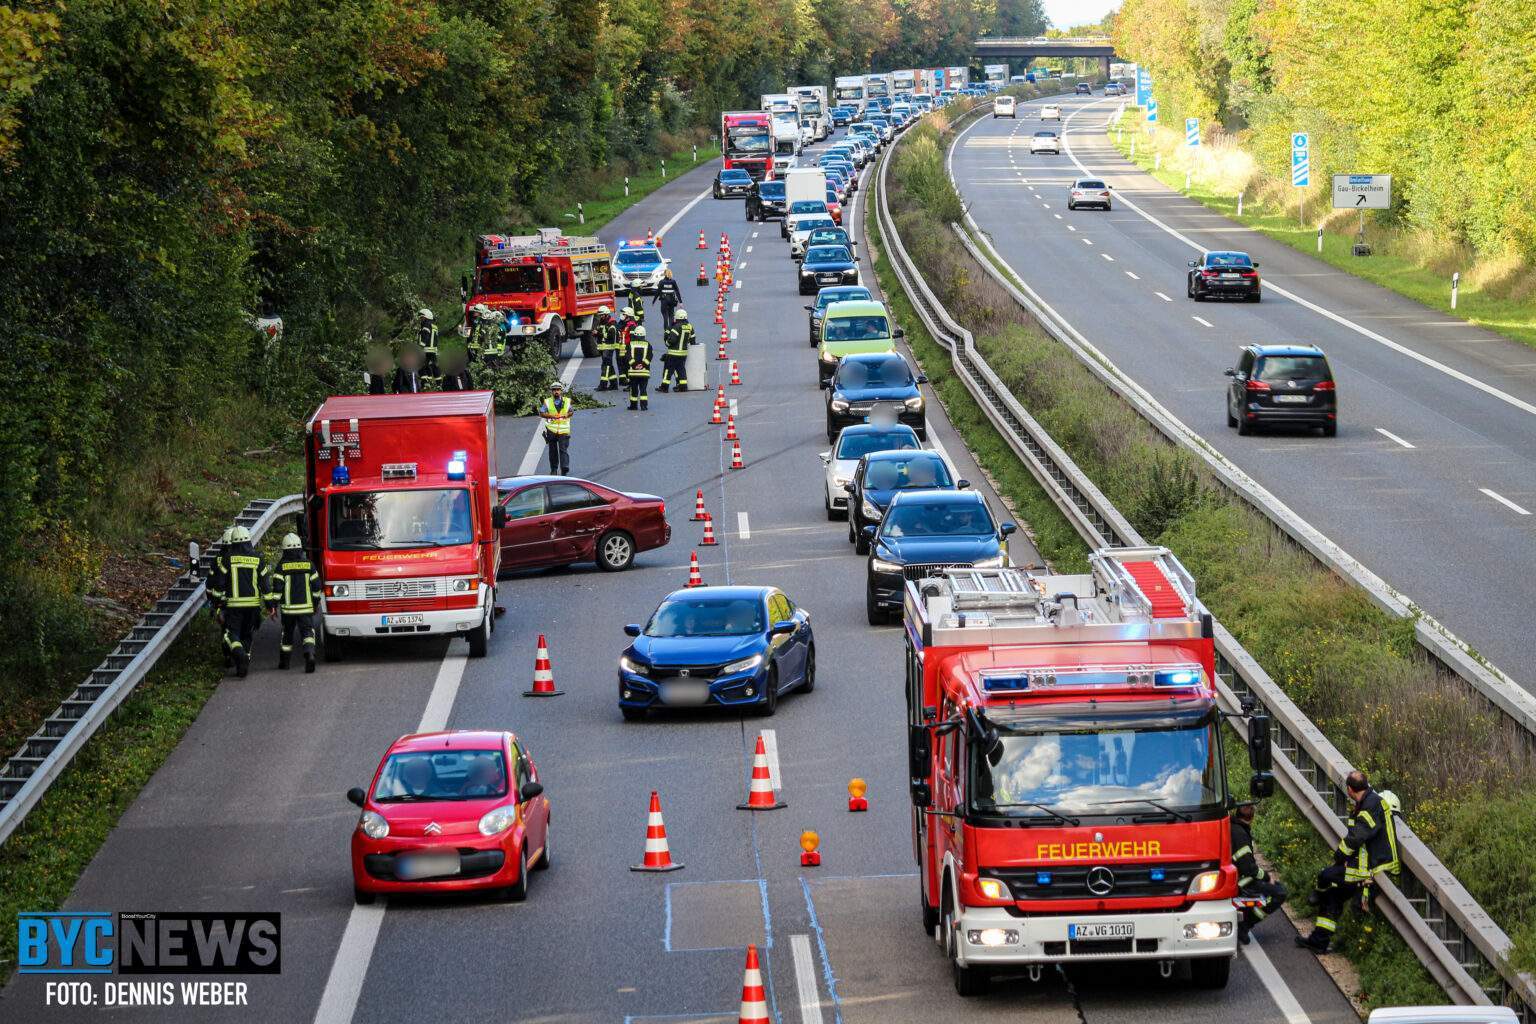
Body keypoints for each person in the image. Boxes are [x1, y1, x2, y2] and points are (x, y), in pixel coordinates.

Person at [1297, 770, 1401, 953]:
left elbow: (1356, 838)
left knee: (1326, 875)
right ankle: (1318, 941)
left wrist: (1340, 857)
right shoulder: (1366, 802)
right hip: (1362, 866)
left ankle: (1317, 895)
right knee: (1334, 897)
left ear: (1350, 789)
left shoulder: (1371, 805)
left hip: (1372, 869)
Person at [208, 525, 265, 678]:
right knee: (247, 635)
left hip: (233, 606)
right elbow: (265, 584)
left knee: (230, 634)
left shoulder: (227, 560)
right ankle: (243, 665)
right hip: (253, 606)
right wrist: (271, 605)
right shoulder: (257, 558)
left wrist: (217, 604)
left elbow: (218, 584)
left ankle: (239, 655)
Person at [262, 532, 321, 673]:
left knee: (287, 634)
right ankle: (310, 654)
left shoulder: (281, 567)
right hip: (306, 609)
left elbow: (277, 591)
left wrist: (273, 607)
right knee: (307, 633)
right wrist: (315, 603)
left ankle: (285, 662)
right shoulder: (309, 565)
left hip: (288, 610)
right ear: (300, 549)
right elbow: (317, 587)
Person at [1231, 800, 1287, 944]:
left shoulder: (1232, 827)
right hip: (1240, 882)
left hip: (1234, 878)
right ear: (1253, 818)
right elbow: (1249, 868)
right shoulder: (1241, 834)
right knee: (1279, 892)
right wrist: (1268, 877)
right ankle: (1245, 924)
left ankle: (1244, 919)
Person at [538, 380, 574, 475]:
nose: (556, 392)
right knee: (552, 451)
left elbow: (571, 411)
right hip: (552, 430)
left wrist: (567, 415)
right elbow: (541, 413)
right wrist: (550, 416)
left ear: (561, 391)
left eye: (558, 390)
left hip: (563, 430)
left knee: (563, 449)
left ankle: (564, 468)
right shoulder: (547, 402)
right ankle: (554, 469)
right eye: (554, 390)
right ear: (552, 391)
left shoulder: (566, 401)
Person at [659, 306, 695, 392]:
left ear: (677, 317)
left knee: (668, 370)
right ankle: (683, 387)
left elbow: (672, 340)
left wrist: (667, 343)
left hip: (673, 353)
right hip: (683, 353)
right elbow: (692, 340)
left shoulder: (676, 327)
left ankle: (664, 387)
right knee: (681, 369)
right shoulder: (689, 326)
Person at [594, 305, 622, 391]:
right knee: (609, 366)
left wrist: (598, 334)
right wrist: (596, 333)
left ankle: (603, 385)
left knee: (605, 366)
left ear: (606, 315)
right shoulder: (602, 322)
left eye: (601, 315)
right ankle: (614, 384)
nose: (600, 317)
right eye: (599, 315)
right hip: (603, 348)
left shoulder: (612, 324)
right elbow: (601, 332)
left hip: (608, 348)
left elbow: (611, 336)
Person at [626, 324, 652, 411]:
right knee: (643, 390)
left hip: (633, 372)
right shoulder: (648, 344)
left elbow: (628, 356)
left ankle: (633, 406)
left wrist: (634, 365)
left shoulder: (631, 344)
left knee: (633, 390)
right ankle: (644, 406)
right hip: (644, 372)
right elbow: (649, 357)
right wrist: (643, 365)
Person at [416, 308, 439, 379]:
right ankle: (437, 383)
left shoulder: (426, 325)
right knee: (432, 366)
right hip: (433, 351)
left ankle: (425, 383)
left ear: (427, 317)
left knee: (420, 366)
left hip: (426, 349)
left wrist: (420, 347)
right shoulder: (434, 326)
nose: (421, 320)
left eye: (422, 318)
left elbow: (425, 335)